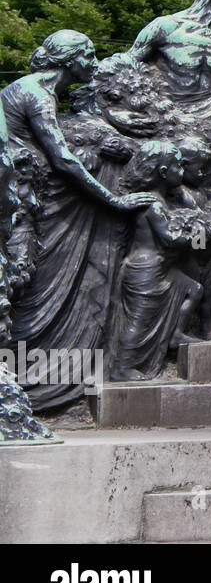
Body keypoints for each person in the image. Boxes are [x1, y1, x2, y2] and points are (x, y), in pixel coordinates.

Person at [2, 31, 156, 408]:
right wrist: (113, 200)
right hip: (15, 199)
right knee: (16, 277)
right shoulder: (36, 93)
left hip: (21, 193)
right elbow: (62, 158)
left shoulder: (36, 90)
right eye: (87, 55)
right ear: (69, 60)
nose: (92, 62)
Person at [107, 141, 202, 381]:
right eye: (178, 167)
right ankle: (121, 367)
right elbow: (169, 239)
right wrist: (199, 234)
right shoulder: (153, 203)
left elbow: (194, 219)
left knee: (194, 289)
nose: (182, 172)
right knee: (139, 322)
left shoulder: (164, 199)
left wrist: (198, 224)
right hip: (145, 272)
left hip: (161, 270)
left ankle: (176, 334)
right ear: (162, 173)